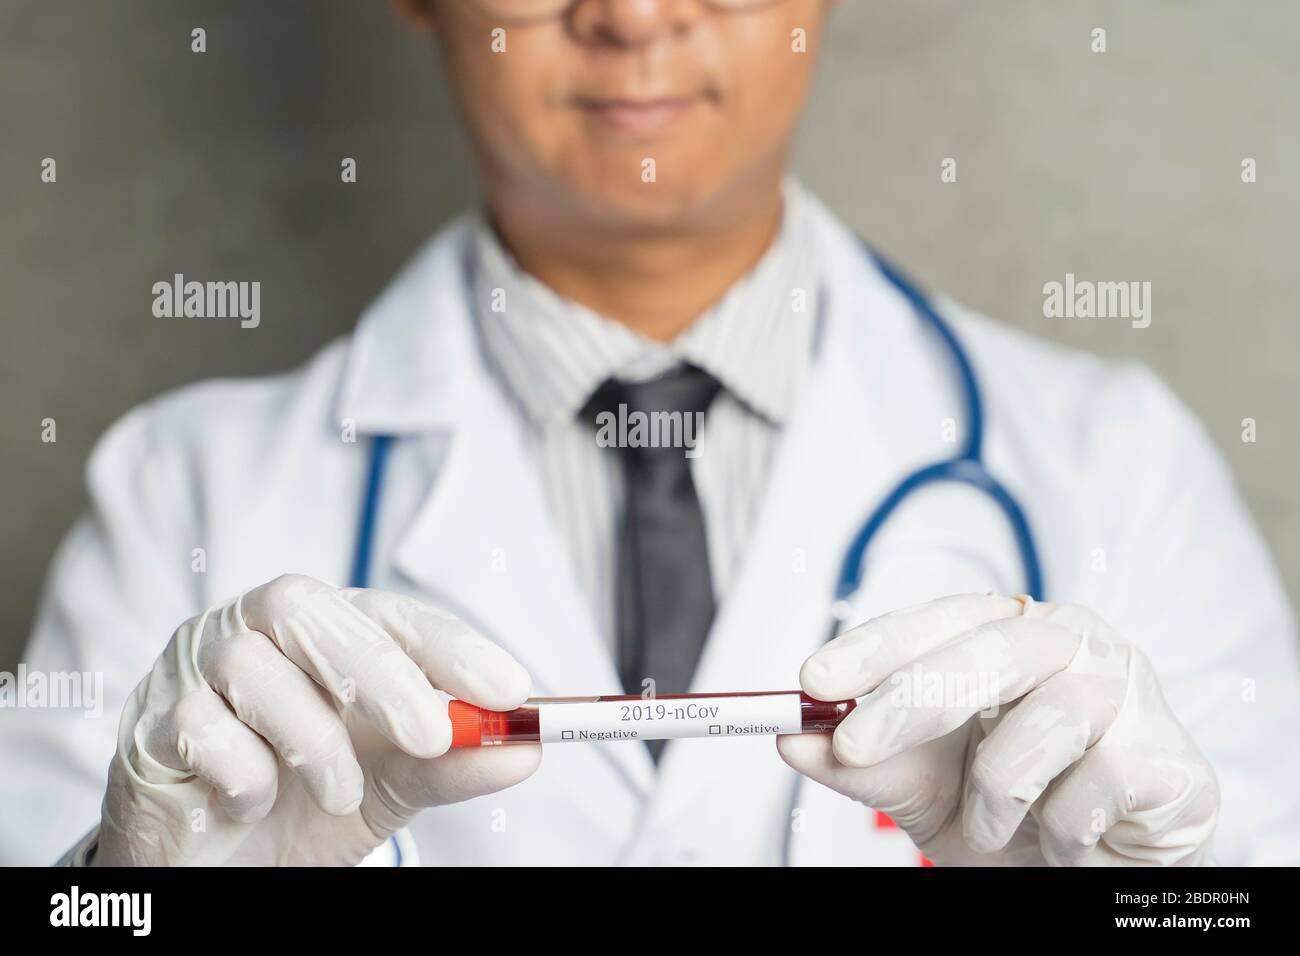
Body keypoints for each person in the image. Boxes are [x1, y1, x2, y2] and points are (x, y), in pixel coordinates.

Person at [3, 0, 1297, 866]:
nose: (631, 16)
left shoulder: (1121, 468)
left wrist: (1168, 902)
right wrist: (123, 895)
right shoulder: (178, 493)